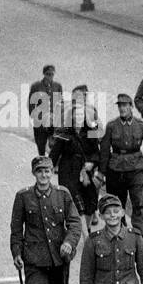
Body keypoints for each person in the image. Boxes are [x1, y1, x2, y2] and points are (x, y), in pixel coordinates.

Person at [10, 156, 83, 284]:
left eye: (47, 171)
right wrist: (16, 253)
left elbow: (75, 224)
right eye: (40, 171)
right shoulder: (23, 197)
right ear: (34, 173)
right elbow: (16, 229)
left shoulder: (63, 195)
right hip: (34, 257)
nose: (44, 175)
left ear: (52, 173)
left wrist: (69, 242)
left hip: (59, 257)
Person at [99, 93, 143, 237]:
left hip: (136, 169)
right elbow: (105, 150)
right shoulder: (112, 126)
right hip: (115, 170)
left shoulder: (141, 124)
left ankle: (140, 236)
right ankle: (121, 234)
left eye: (125, 105)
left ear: (131, 107)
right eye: (120, 106)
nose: (122, 108)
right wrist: (101, 172)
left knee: (139, 202)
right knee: (116, 204)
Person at [50, 85, 103, 235]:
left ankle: (85, 227)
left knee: (90, 197)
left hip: (85, 170)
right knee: (74, 198)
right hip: (68, 170)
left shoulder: (90, 131)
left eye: (81, 115)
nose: (78, 118)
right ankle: (83, 233)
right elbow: (54, 154)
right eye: (76, 115)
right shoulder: (65, 133)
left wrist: (92, 163)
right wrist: (47, 169)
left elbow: (96, 151)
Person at [28, 64, 63, 157]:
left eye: (52, 74)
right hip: (40, 120)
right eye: (47, 74)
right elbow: (31, 103)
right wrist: (33, 117)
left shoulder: (57, 86)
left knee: (54, 142)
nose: (50, 76)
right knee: (40, 143)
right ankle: (42, 159)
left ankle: (52, 161)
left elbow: (60, 102)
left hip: (53, 120)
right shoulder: (36, 86)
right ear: (44, 74)